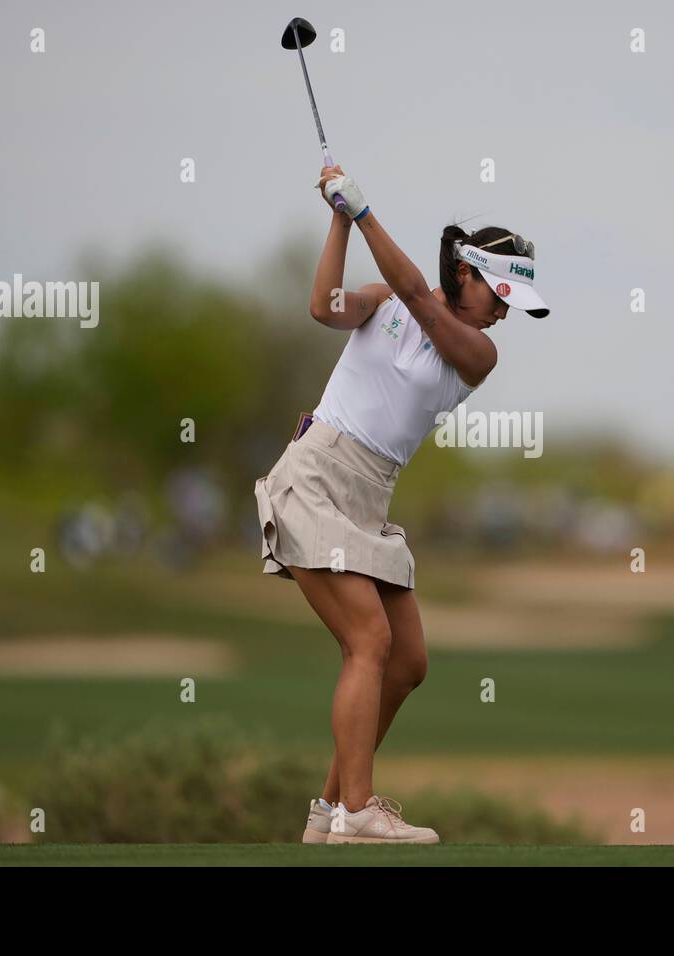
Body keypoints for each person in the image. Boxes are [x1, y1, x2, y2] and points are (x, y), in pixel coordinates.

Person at [254, 166, 550, 844]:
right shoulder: (387, 301)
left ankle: (329, 813)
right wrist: (339, 216)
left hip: (370, 494)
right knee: (369, 641)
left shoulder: (477, 353)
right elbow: (324, 307)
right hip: (319, 474)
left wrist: (364, 212)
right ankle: (356, 811)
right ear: (466, 272)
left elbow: (421, 293)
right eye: (498, 291)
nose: (504, 310)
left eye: (512, 300)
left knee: (407, 661)